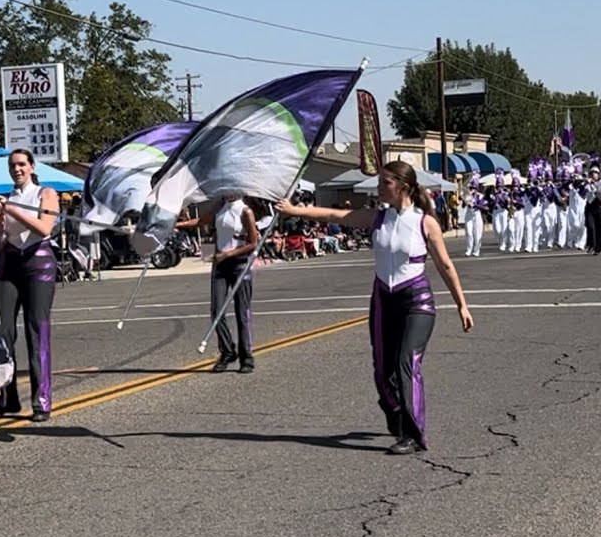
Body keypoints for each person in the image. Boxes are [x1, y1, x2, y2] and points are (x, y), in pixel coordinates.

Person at [275, 161, 474, 454]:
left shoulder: (425, 222)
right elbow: (335, 214)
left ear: (403, 187)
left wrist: (462, 305)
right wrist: (295, 211)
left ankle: (413, 434)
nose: (379, 188)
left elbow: (445, 265)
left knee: (407, 362)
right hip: (383, 299)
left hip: (416, 300)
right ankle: (397, 413)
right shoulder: (376, 218)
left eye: (385, 184)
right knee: (382, 371)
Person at [0, 148, 60, 422]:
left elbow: (44, 228)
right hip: (10, 264)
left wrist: (13, 210)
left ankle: (42, 401)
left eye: (22, 164)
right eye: (13, 165)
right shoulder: (6, 198)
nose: (17, 169)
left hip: (38, 263)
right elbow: (0, 240)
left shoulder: (45, 193)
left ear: (31, 166)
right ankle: (8, 398)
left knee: (36, 330)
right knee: (2, 331)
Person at [176, 194, 260, 373]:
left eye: (232, 189)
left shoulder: (246, 212)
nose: (228, 193)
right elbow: (200, 221)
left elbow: (254, 243)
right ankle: (228, 351)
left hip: (240, 265)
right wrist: (176, 225)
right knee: (216, 311)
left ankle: (247, 357)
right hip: (220, 265)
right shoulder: (219, 207)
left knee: (242, 312)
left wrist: (229, 254)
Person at [583, 167, 601, 256]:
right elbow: (582, 195)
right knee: (590, 226)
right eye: (592, 173)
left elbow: (599, 193)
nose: (594, 175)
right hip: (590, 207)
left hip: (600, 207)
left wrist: (592, 184)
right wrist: (584, 184)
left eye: (596, 173)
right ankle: (590, 244)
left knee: (599, 228)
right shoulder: (587, 184)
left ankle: (597, 248)